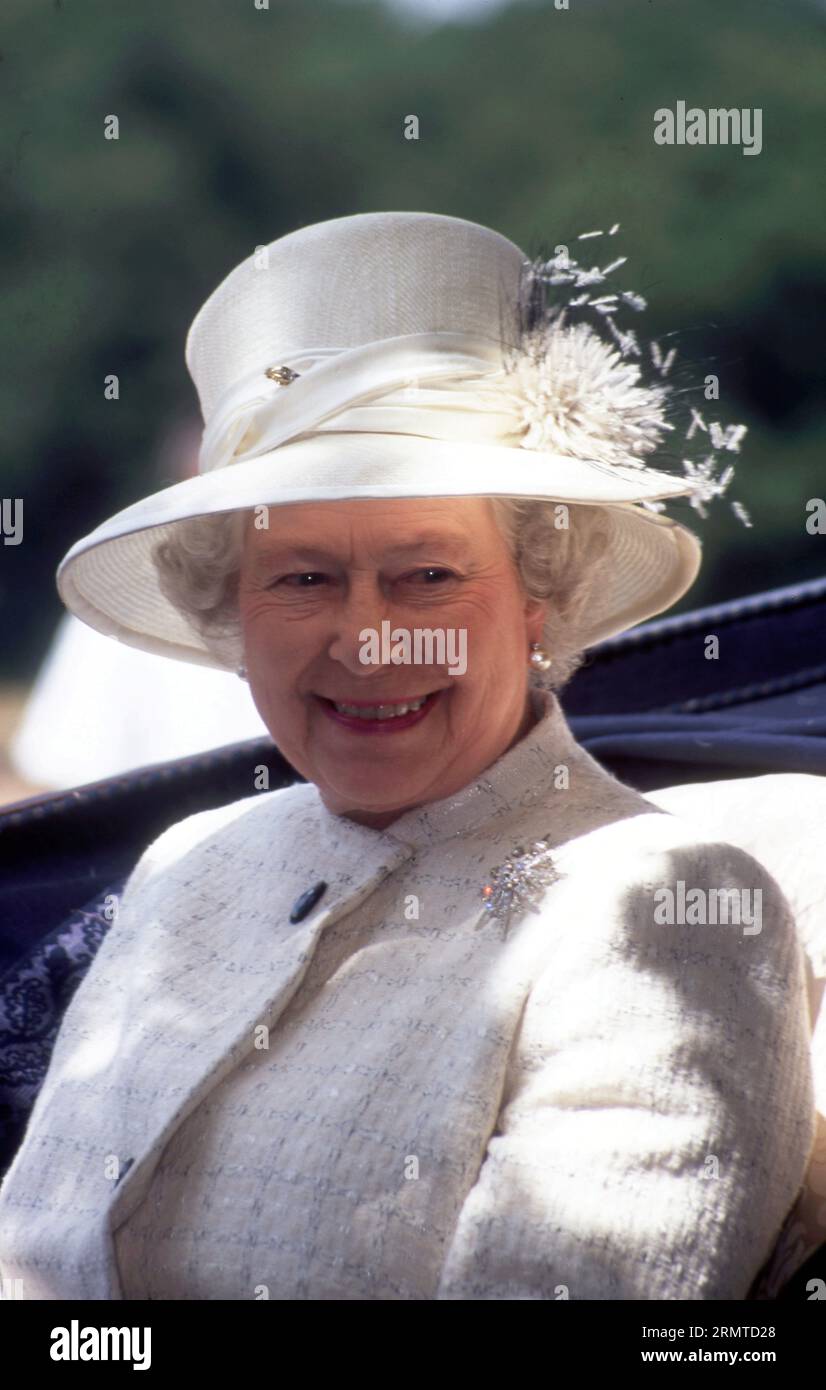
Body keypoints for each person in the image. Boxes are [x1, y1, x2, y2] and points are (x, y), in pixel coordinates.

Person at [0, 210, 814, 1300]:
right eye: (300, 578)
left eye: (427, 574)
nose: (368, 638)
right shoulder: (185, 866)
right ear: (233, 617)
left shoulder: (664, 910)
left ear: (539, 598)